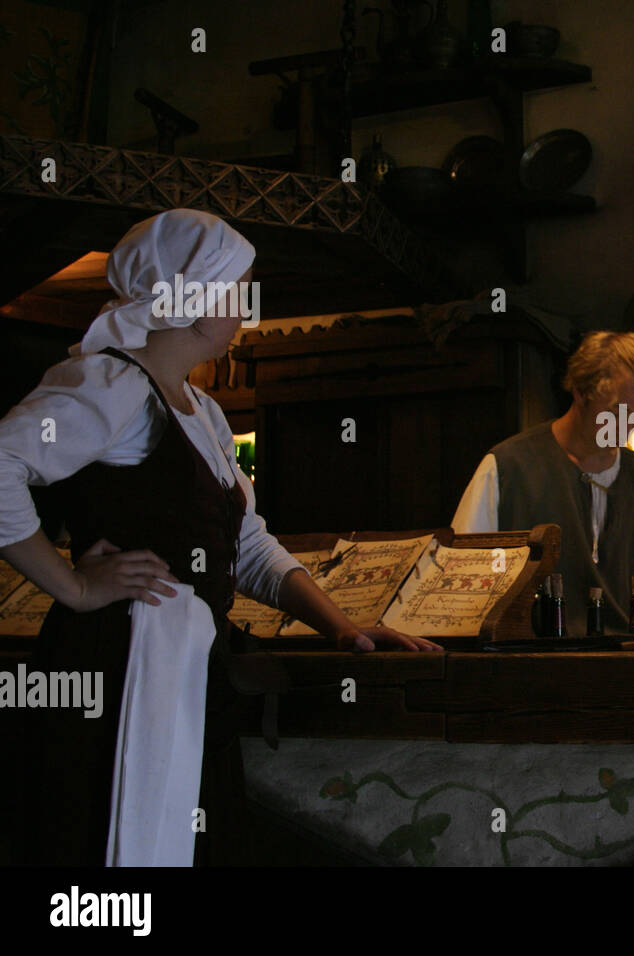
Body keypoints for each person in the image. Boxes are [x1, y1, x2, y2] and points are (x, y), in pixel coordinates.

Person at [0, 209, 437, 866]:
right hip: (118, 665)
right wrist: (76, 587)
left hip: (187, 666)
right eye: (240, 290)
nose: (249, 309)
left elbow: (248, 545)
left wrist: (341, 627)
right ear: (192, 300)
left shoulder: (202, 411)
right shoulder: (111, 385)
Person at [452, 331, 634, 636]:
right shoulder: (509, 467)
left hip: (623, 663)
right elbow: (463, 575)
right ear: (579, 391)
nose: (625, 428)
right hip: (530, 663)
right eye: (615, 411)